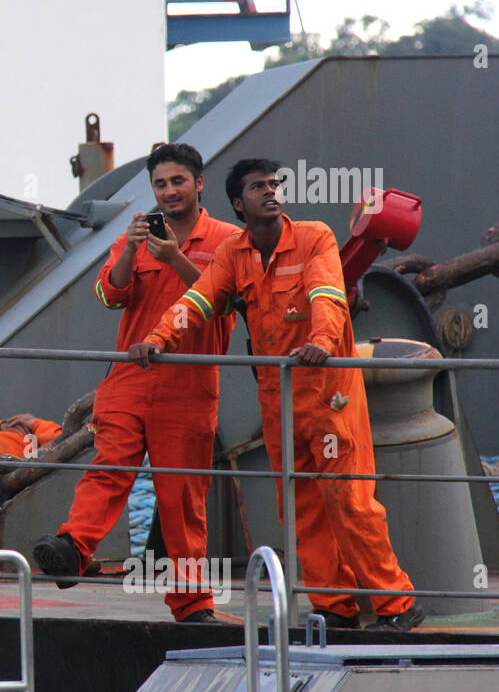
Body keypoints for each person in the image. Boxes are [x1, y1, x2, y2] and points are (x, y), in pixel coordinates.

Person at [130, 158, 423, 631]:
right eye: (258, 186)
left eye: (274, 184)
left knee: (349, 498)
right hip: (278, 398)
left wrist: (322, 343)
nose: (270, 192)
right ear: (237, 203)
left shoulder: (314, 237)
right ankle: (334, 605)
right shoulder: (234, 254)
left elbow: (326, 295)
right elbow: (199, 300)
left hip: (328, 393)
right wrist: (159, 338)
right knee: (301, 502)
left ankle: (396, 604)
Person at [32, 143, 239, 624]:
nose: (168, 192)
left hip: (188, 381)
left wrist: (173, 258)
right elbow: (110, 295)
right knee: (110, 464)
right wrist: (130, 248)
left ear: (198, 183)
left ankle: (192, 604)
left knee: (181, 494)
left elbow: (227, 305)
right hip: (131, 374)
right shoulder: (139, 235)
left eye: (177, 182)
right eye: (160, 184)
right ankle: (72, 548)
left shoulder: (228, 240)